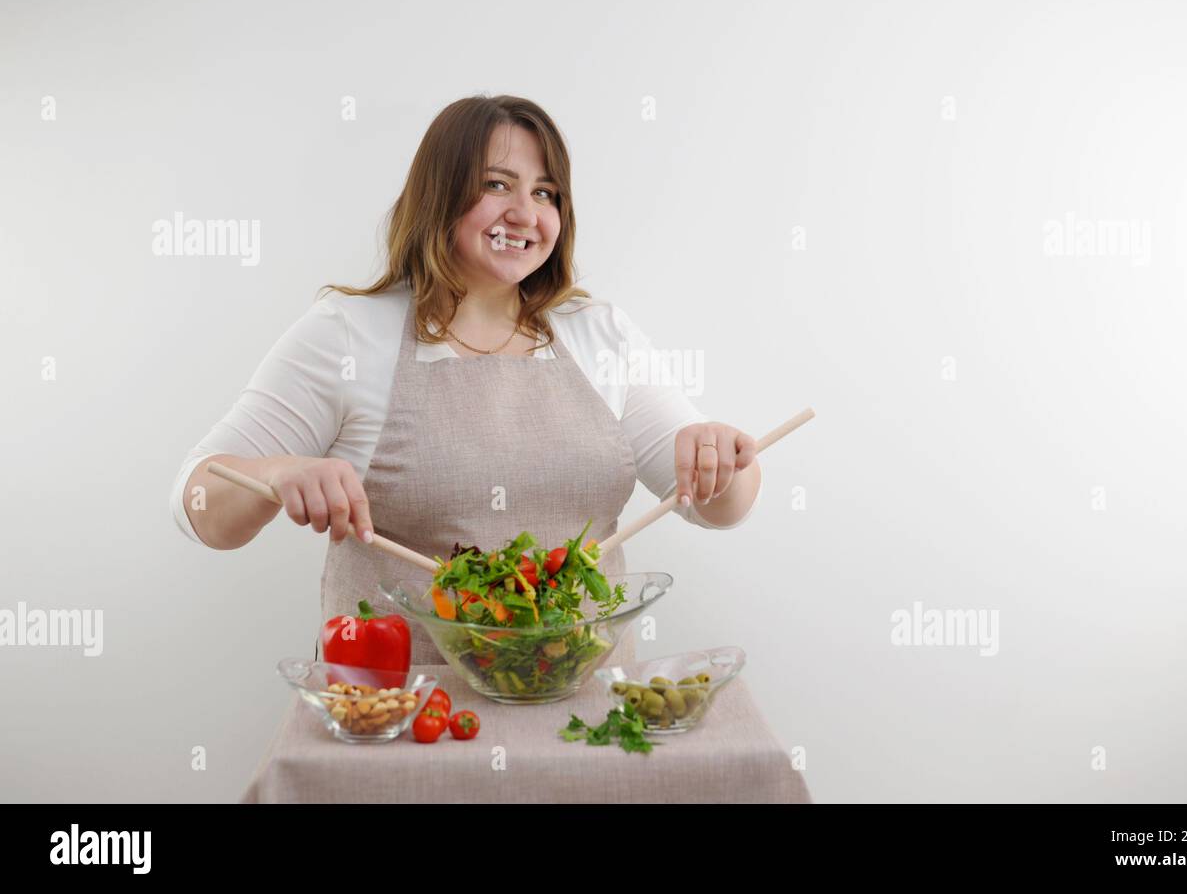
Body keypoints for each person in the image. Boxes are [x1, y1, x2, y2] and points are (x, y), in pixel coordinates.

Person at [170, 94, 762, 664]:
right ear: (439, 194)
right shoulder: (347, 334)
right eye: (496, 184)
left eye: (545, 192)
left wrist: (722, 456)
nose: (525, 214)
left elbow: (717, 508)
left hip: (585, 709)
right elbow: (195, 501)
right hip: (402, 715)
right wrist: (277, 473)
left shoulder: (599, 333)